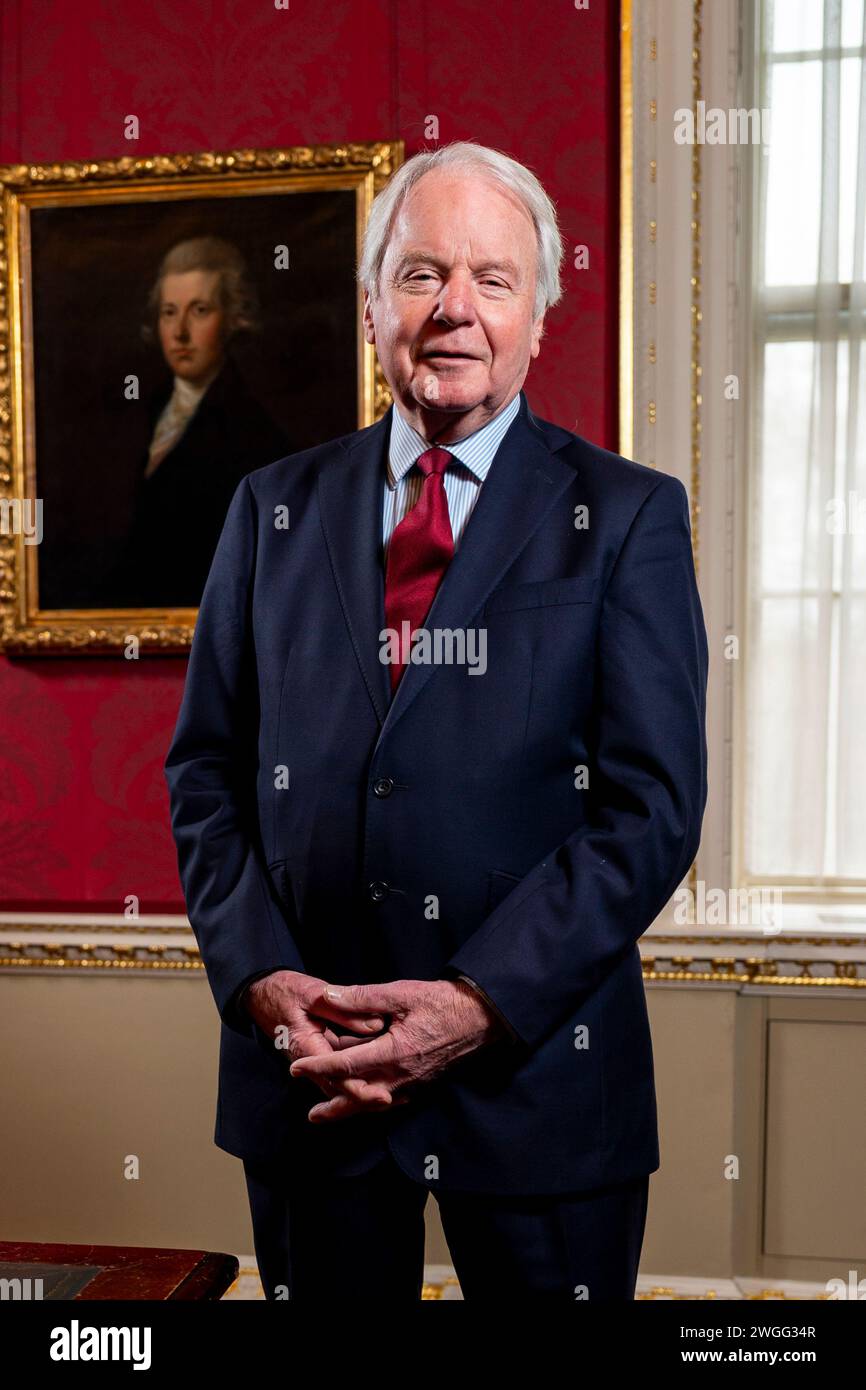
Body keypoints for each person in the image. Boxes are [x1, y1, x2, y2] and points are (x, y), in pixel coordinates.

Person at [164, 140, 709, 1302]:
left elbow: (651, 814)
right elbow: (206, 773)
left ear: (535, 319)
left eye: (491, 279)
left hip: (539, 1086)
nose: (454, 309)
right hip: (313, 1076)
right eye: (420, 275)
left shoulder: (624, 519)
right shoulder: (269, 508)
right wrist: (261, 977)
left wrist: (472, 1004)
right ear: (372, 309)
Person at [108, 237, 289, 608]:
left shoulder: (251, 433)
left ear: (233, 318)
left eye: (200, 310)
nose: (180, 332)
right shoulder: (146, 407)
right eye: (169, 312)